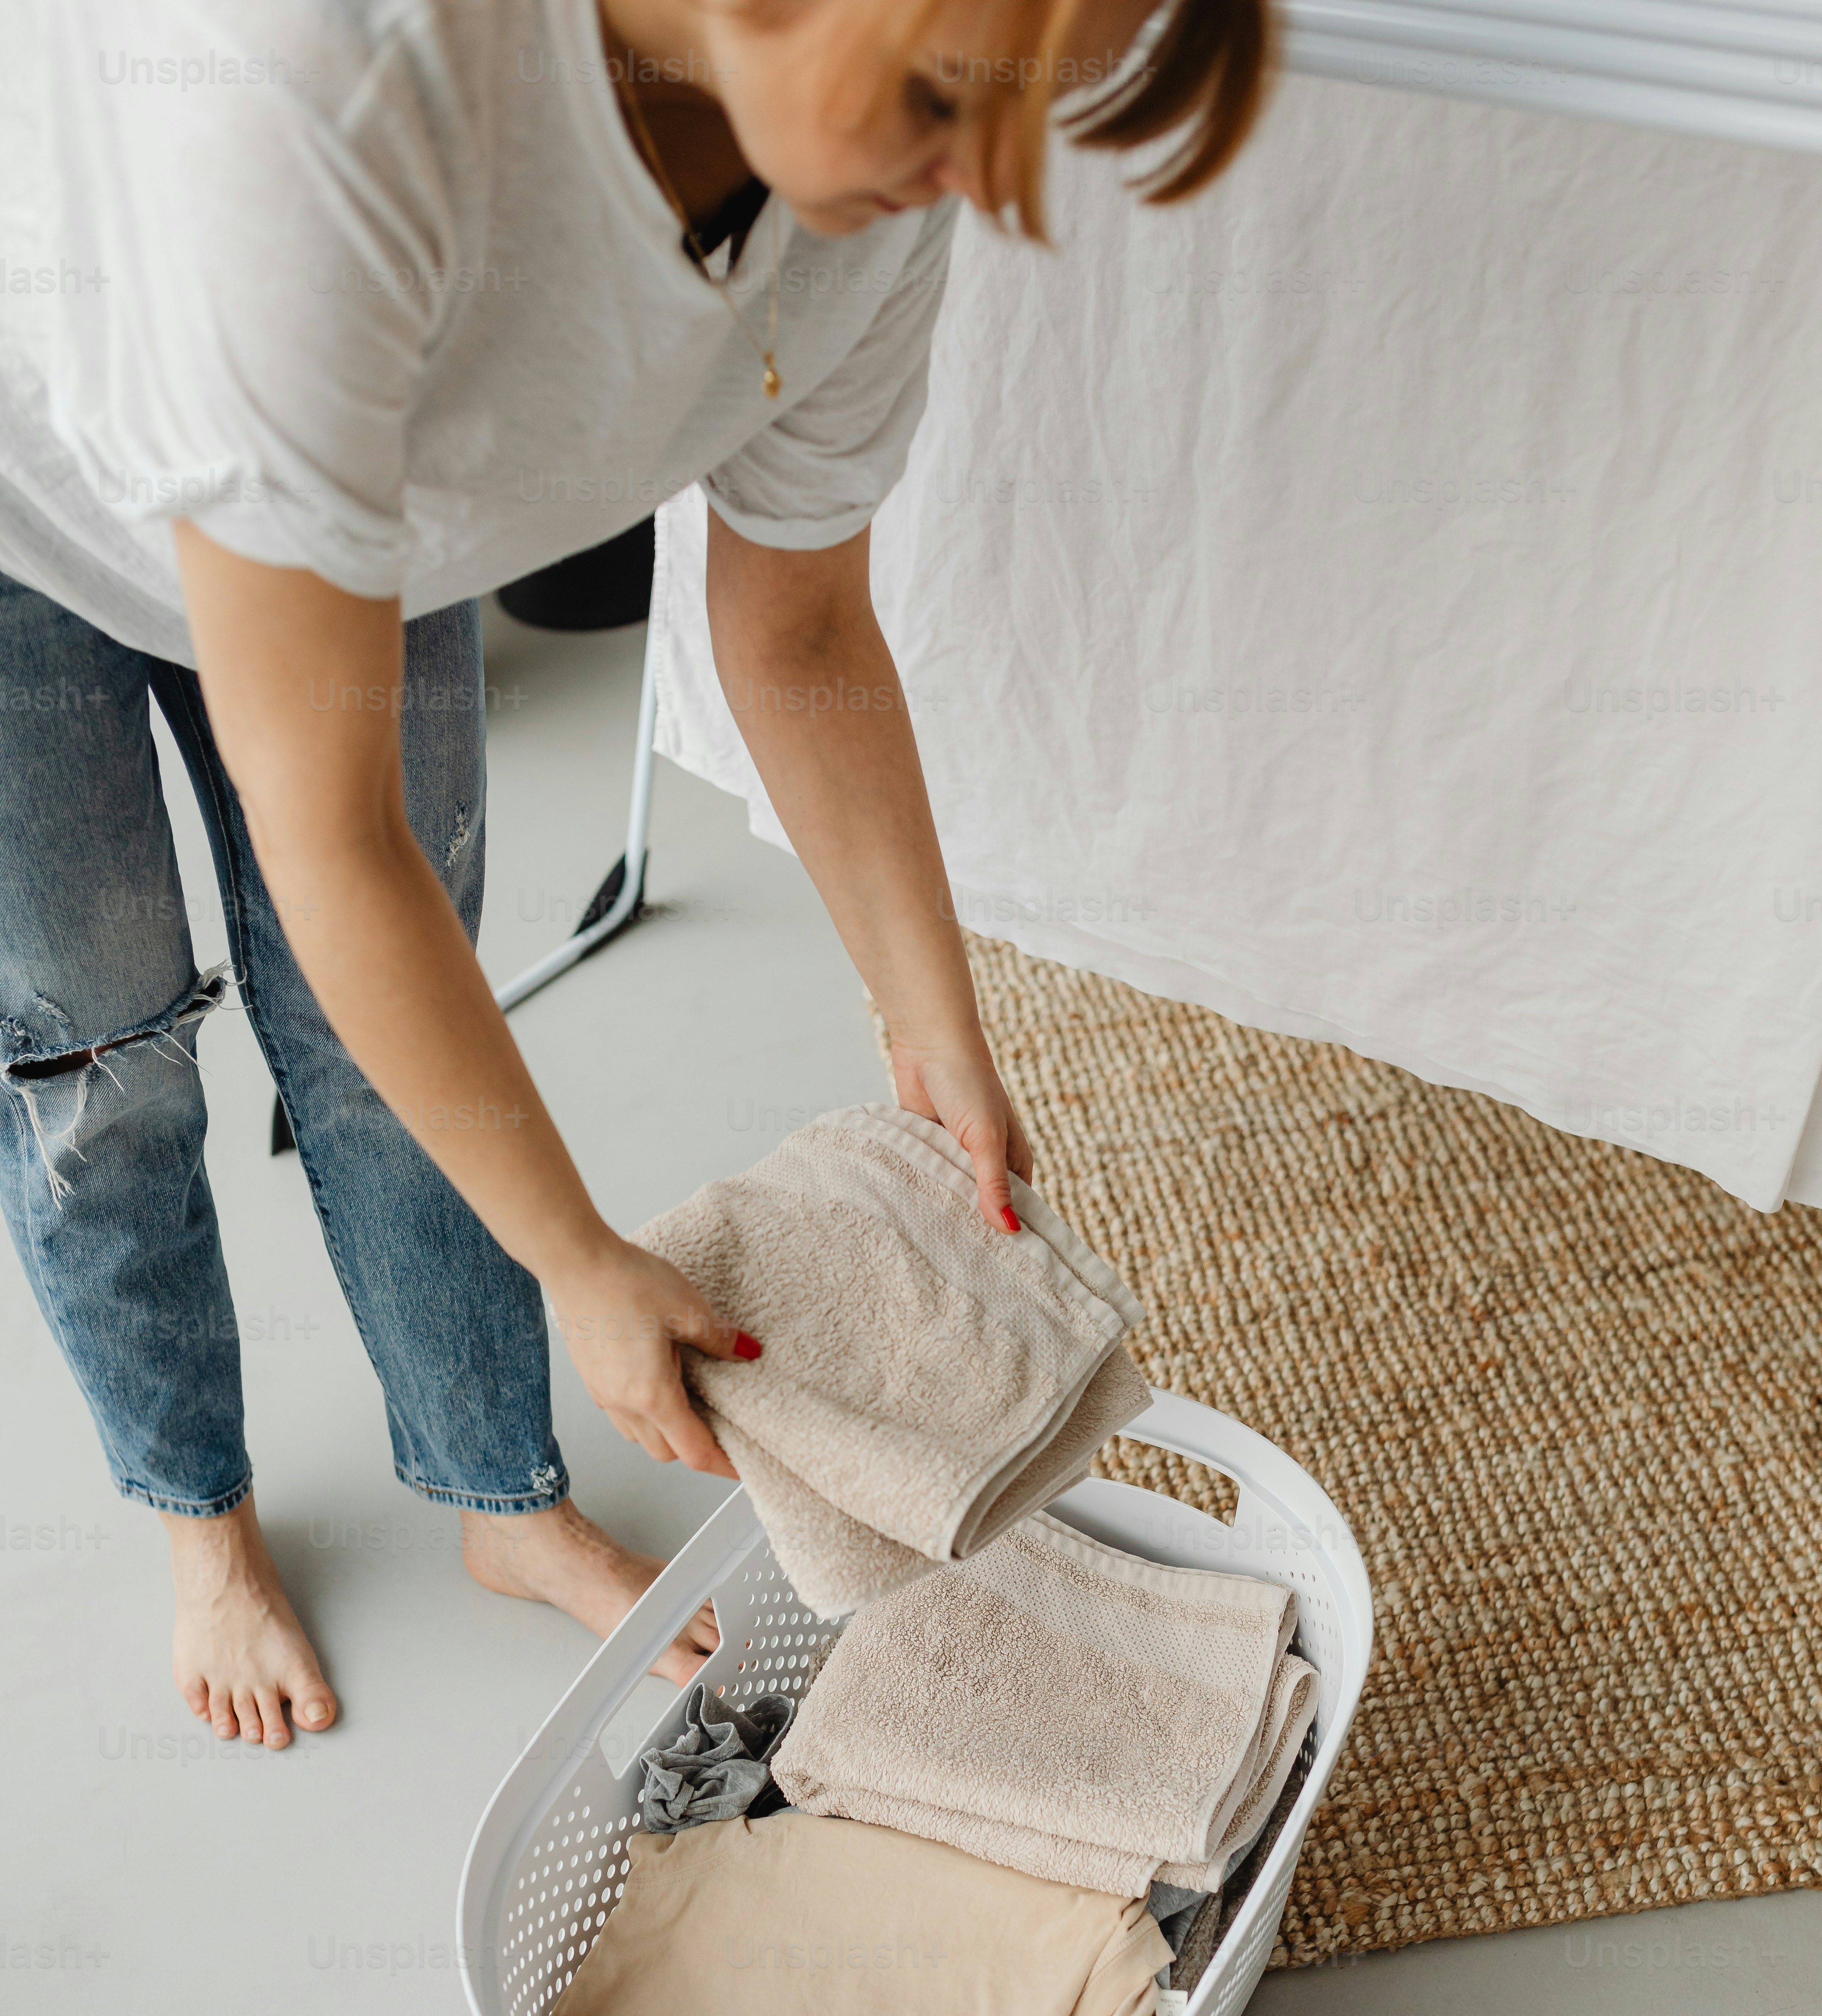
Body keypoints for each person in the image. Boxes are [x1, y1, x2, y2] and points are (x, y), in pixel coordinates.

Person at [0, 0, 1265, 1748]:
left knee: (395, 1056)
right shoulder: (326, 93)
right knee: (97, 1061)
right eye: (944, 96)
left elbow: (803, 631)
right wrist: (585, 1263)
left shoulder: (869, 196)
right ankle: (199, 1526)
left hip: (362, 497)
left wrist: (932, 1025)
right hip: (28, 489)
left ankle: (499, 1500)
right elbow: (325, 836)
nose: (980, 179)